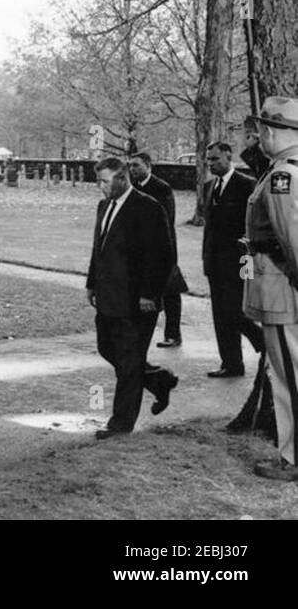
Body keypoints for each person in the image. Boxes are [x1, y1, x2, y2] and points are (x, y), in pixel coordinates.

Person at [86, 158, 176, 438]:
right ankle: (158, 380)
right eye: (99, 181)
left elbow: (163, 256)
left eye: (105, 181)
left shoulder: (147, 207)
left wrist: (150, 294)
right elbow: (98, 249)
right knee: (107, 348)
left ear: (122, 178)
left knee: (128, 361)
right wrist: (91, 283)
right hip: (108, 296)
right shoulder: (104, 206)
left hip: (137, 300)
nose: (100, 187)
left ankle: (120, 424)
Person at [241, 96, 298, 481]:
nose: (259, 135)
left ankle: (293, 458)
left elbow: (291, 237)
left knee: (289, 375)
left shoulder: (283, 176)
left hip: (282, 285)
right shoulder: (282, 169)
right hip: (279, 283)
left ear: (275, 132)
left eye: (263, 128)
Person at [201, 142, 263, 378]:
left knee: (235, 312)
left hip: (239, 263)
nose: (211, 164)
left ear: (229, 157)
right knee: (220, 314)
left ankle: (264, 342)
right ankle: (231, 363)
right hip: (215, 263)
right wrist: (206, 261)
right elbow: (209, 228)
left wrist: (248, 266)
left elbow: (252, 227)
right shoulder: (209, 186)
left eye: (215, 159)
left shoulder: (246, 185)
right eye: (208, 160)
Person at [127, 152, 187, 348]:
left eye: (136, 165)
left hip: (162, 247)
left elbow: (165, 220)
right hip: (140, 250)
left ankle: (173, 334)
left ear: (147, 165)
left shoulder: (162, 188)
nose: (132, 169)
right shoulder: (132, 188)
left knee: (170, 291)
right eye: (130, 166)